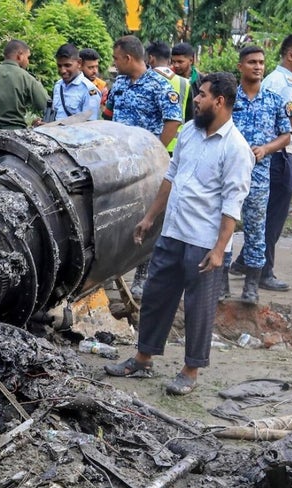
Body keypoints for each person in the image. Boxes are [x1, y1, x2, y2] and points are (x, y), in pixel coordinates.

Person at [103, 73, 252, 396]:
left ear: (220, 101)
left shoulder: (237, 148)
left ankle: (190, 371)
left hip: (205, 242)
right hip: (173, 232)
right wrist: (149, 218)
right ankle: (143, 359)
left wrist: (219, 249)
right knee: (156, 297)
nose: (196, 100)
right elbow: (170, 178)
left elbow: (232, 204)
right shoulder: (188, 132)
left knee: (198, 308)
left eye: (201, 95)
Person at [102, 35, 183, 298]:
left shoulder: (160, 86)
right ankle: (108, 273)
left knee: (146, 217)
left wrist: (154, 151)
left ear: (128, 57)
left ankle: (141, 275)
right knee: (113, 215)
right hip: (117, 163)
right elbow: (108, 114)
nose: (114, 64)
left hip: (146, 166)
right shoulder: (120, 84)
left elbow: (173, 122)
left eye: (116, 58)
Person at [223, 46, 291, 304]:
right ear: (240, 66)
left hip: (260, 176)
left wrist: (266, 148)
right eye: (252, 62)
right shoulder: (229, 99)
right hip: (229, 175)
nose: (258, 67)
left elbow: (286, 135)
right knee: (224, 228)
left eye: (261, 62)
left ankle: (251, 285)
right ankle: (221, 283)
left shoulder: (274, 100)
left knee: (256, 230)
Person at [257, 33, 292, 292]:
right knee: (273, 216)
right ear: (290, 56)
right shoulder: (286, 85)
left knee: (264, 212)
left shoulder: (274, 80)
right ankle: (263, 271)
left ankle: (244, 262)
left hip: (271, 154)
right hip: (279, 155)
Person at [147, 40, 193, 153]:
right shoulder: (185, 83)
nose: (176, 65)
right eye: (174, 62)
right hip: (177, 147)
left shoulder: (143, 80)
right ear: (169, 60)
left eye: (180, 61)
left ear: (151, 59)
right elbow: (190, 119)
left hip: (151, 147)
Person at [50, 43, 100, 122]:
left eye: (67, 65)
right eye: (59, 66)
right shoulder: (58, 85)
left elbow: (90, 125)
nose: (63, 70)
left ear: (79, 63)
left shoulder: (89, 90)